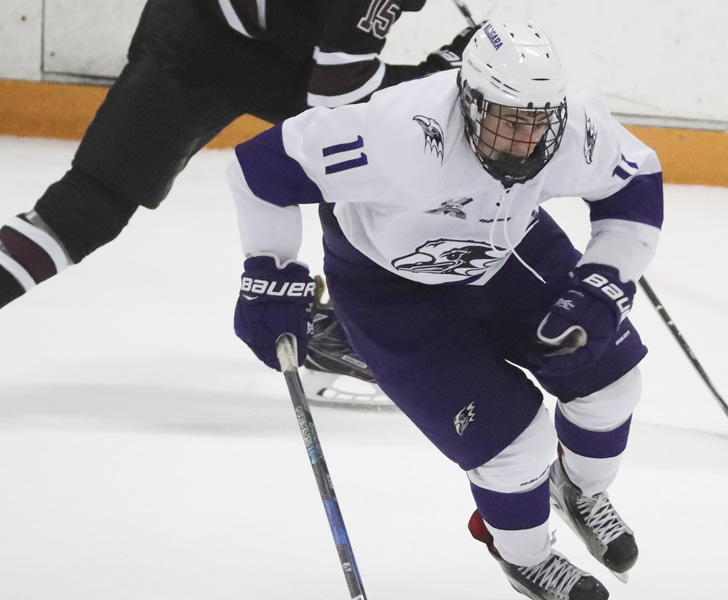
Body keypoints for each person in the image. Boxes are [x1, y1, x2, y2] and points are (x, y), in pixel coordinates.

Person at [228, 20, 663, 600]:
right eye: (507, 120)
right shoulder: (399, 132)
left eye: (536, 122)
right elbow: (259, 168)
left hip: (505, 251)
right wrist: (271, 271)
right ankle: (526, 557)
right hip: (387, 288)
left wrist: (607, 278)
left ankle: (578, 489)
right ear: (469, 100)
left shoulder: (573, 127)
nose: (523, 140)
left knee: (612, 384)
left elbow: (634, 182)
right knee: (516, 447)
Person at [0, 0, 471, 307]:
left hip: (274, 49)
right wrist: (443, 70)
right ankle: (355, 317)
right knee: (87, 210)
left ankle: (352, 317)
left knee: (372, 158)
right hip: (197, 47)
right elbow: (340, 98)